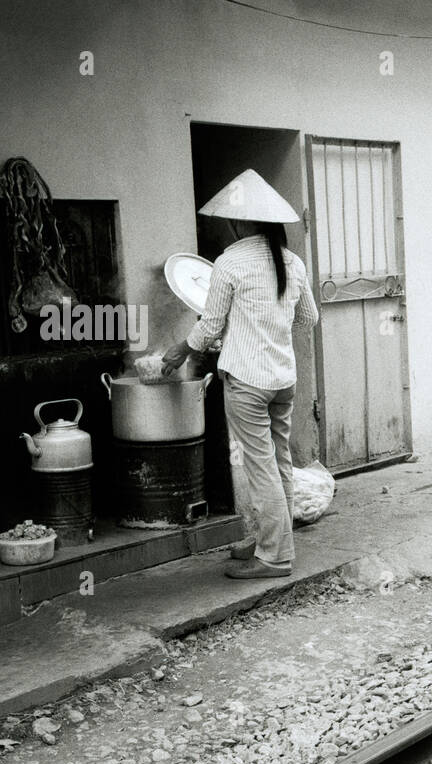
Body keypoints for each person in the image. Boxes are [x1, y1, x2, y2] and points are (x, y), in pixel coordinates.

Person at [162, 168, 319, 579]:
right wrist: (266, 328)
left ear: (240, 222)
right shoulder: (293, 262)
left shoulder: (230, 262)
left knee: (261, 467)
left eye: (230, 221)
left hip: (248, 383)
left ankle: (275, 557)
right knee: (279, 460)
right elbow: (308, 319)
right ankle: (274, 540)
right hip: (283, 379)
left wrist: (181, 350)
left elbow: (210, 326)